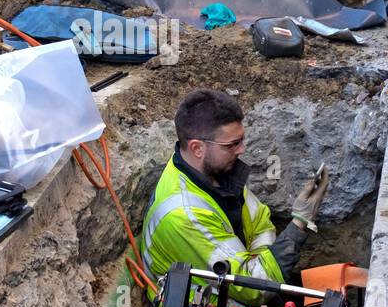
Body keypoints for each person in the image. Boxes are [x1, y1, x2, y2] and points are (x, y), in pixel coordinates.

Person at [140, 89, 329, 296]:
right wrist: (300, 222)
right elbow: (256, 289)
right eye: (232, 144)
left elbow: (260, 221)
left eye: (241, 140)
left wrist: (257, 260)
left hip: (236, 284)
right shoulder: (184, 216)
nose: (241, 150)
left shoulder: (212, 171)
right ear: (197, 148)